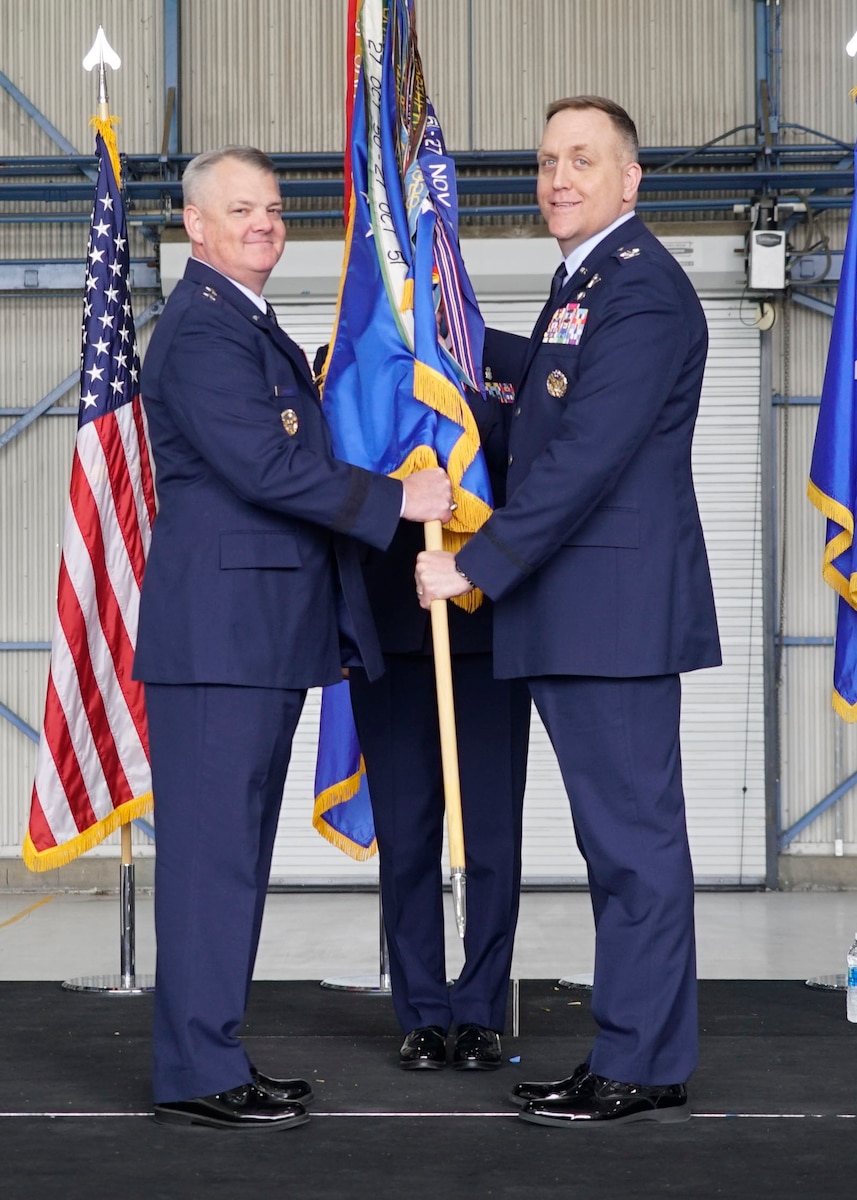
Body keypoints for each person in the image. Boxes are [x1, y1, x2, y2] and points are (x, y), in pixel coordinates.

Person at [134, 145, 454, 1132]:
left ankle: (212, 1054)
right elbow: (269, 473)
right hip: (219, 644)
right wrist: (398, 498)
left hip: (253, 641)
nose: (264, 224)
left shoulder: (244, 326)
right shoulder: (201, 333)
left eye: (273, 209)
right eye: (241, 210)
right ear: (193, 225)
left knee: (231, 862)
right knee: (209, 864)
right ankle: (195, 1070)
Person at [415, 96, 721, 1127]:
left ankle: (640, 1063)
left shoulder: (640, 291)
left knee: (633, 850)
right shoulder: (583, 284)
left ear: (629, 180)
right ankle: (625, 1049)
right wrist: (434, 333)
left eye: (581, 161)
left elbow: (583, 453)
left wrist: (474, 567)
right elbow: (546, 384)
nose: (557, 177)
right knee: (615, 850)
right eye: (547, 160)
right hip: (582, 616)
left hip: (613, 618)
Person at [340, 332, 531, 1072]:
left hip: (484, 629)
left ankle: (479, 1008)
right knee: (407, 835)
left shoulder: (507, 362)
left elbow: (531, 487)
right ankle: (422, 1011)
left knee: (490, 837)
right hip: (388, 632)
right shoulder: (349, 358)